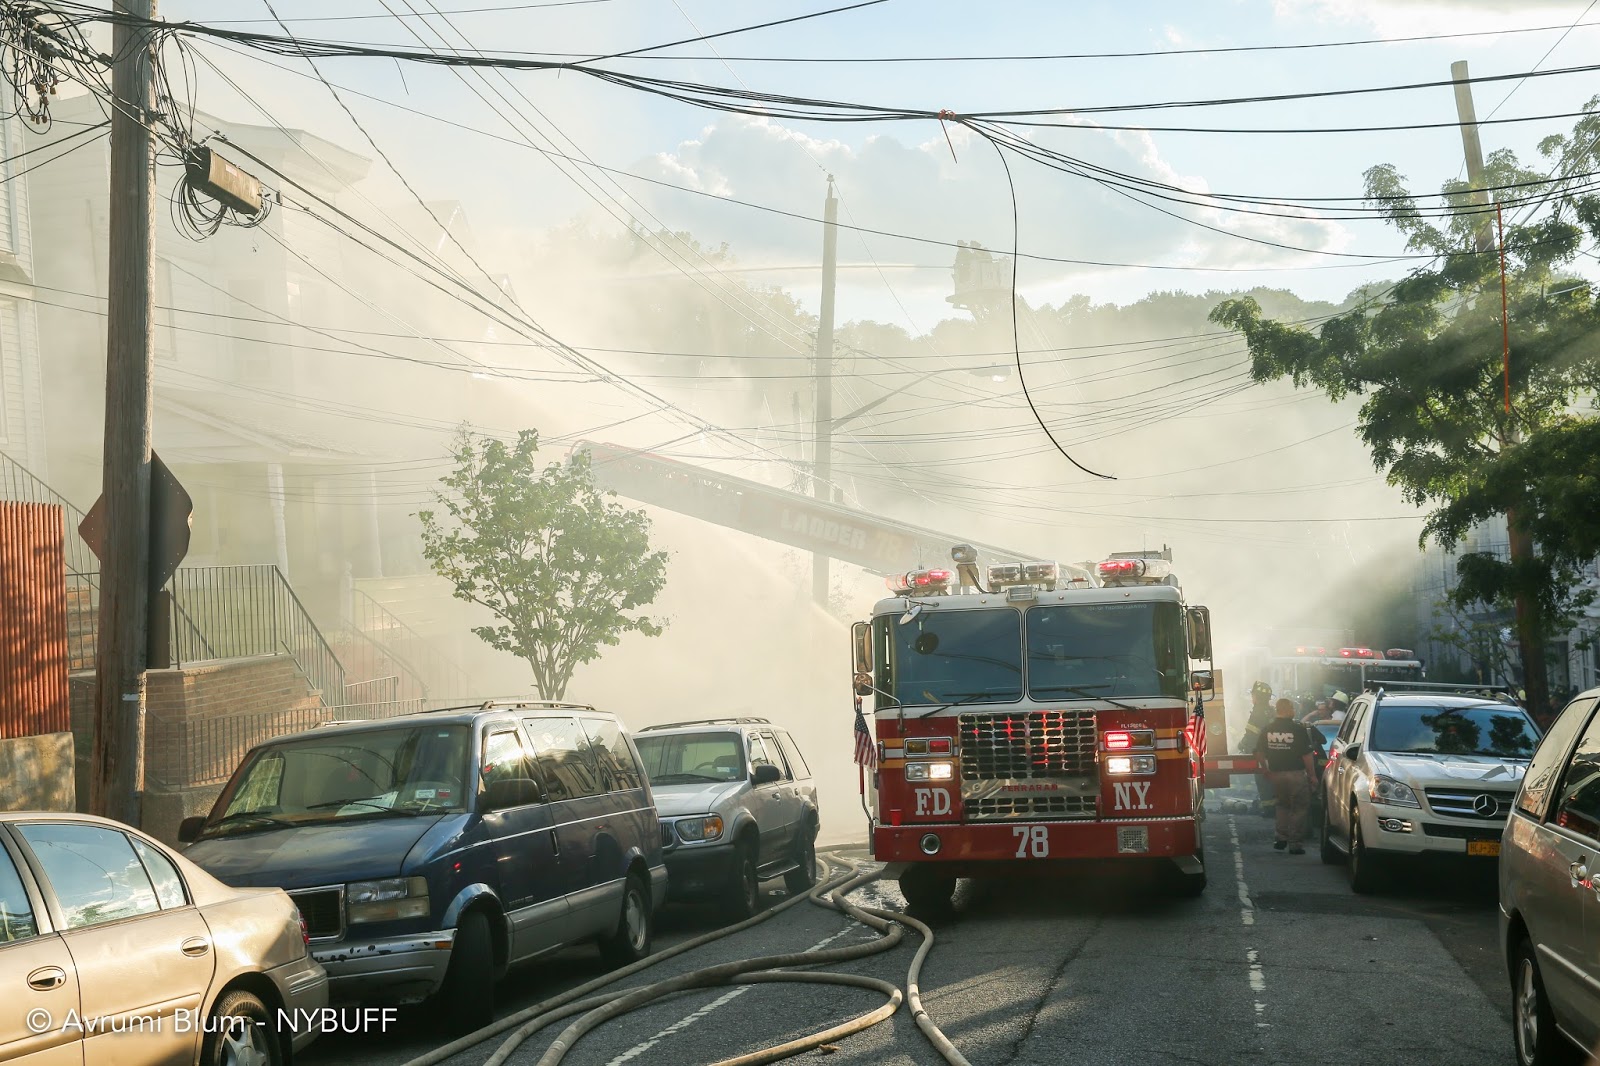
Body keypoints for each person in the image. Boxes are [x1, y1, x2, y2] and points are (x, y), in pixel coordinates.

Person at [1254, 698, 1317, 854]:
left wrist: (1265, 769)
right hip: (1296, 774)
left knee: (1282, 806)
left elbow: (1259, 752)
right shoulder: (1298, 730)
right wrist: (1313, 776)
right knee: (1299, 808)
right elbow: (1307, 756)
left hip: (1276, 774)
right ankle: (1294, 844)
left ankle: (1280, 838)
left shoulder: (1268, 729)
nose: (1294, 711)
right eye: (1292, 708)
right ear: (1289, 710)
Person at [1243, 682, 1277, 817]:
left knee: (1263, 781)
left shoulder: (1257, 712)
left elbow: (1252, 735)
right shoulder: (1271, 710)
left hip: (1262, 753)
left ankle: (1268, 809)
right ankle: (1273, 807)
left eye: (1253, 695)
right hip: (1275, 752)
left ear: (1257, 696)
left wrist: (1243, 746)